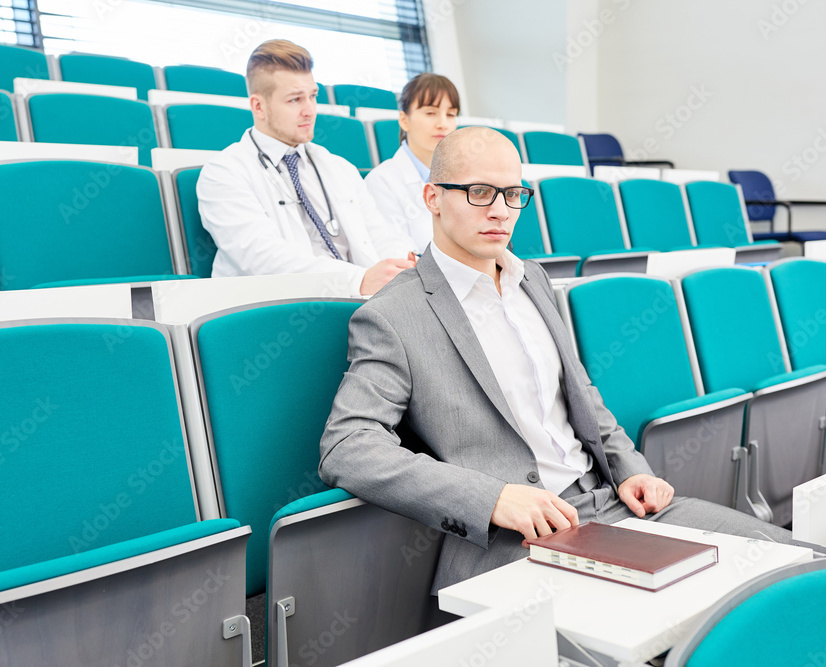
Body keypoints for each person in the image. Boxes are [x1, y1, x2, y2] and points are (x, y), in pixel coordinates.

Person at [319, 127, 791, 592]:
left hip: (612, 502)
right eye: (480, 192)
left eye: (512, 194)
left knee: (797, 563)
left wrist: (632, 469)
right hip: (519, 539)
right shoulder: (393, 314)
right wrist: (491, 499)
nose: (501, 211)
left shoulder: (534, 280)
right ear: (433, 197)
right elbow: (348, 446)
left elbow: (581, 394)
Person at [196, 40, 415, 297]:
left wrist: (405, 265)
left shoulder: (338, 167)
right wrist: (359, 280)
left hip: (361, 302)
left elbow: (378, 233)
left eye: (312, 96)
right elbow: (263, 259)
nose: (309, 110)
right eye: (295, 100)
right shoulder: (223, 173)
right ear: (258, 106)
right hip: (279, 311)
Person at [365, 73, 459, 252]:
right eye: (431, 113)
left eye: (451, 114)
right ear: (404, 120)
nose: (443, 124)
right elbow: (397, 254)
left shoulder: (464, 176)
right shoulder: (381, 182)